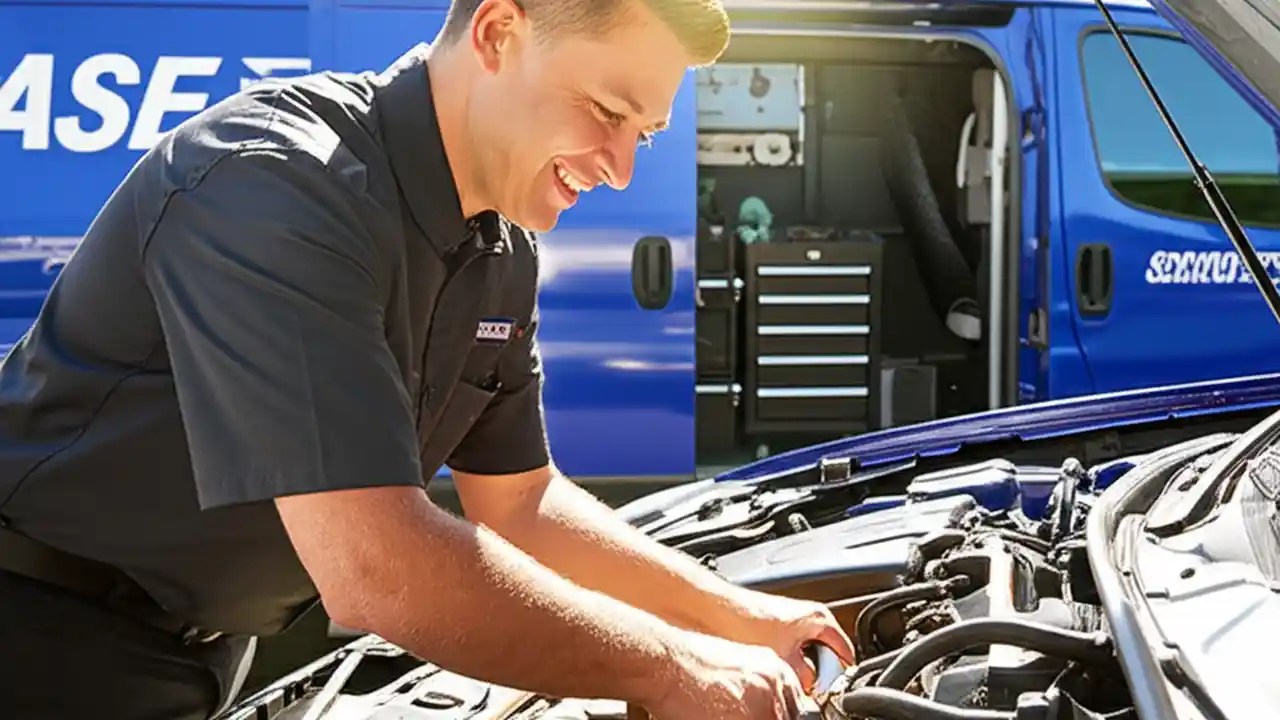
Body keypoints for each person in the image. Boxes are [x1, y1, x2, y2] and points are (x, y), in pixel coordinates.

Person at [0, 0, 855, 717]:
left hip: (197, 654)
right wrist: (671, 668)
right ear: (496, 32)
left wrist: (737, 618)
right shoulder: (278, 188)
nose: (624, 168)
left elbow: (521, 502)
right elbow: (379, 567)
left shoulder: (500, 249)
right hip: (41, 642)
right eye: (605, 111)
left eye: (647, 133)